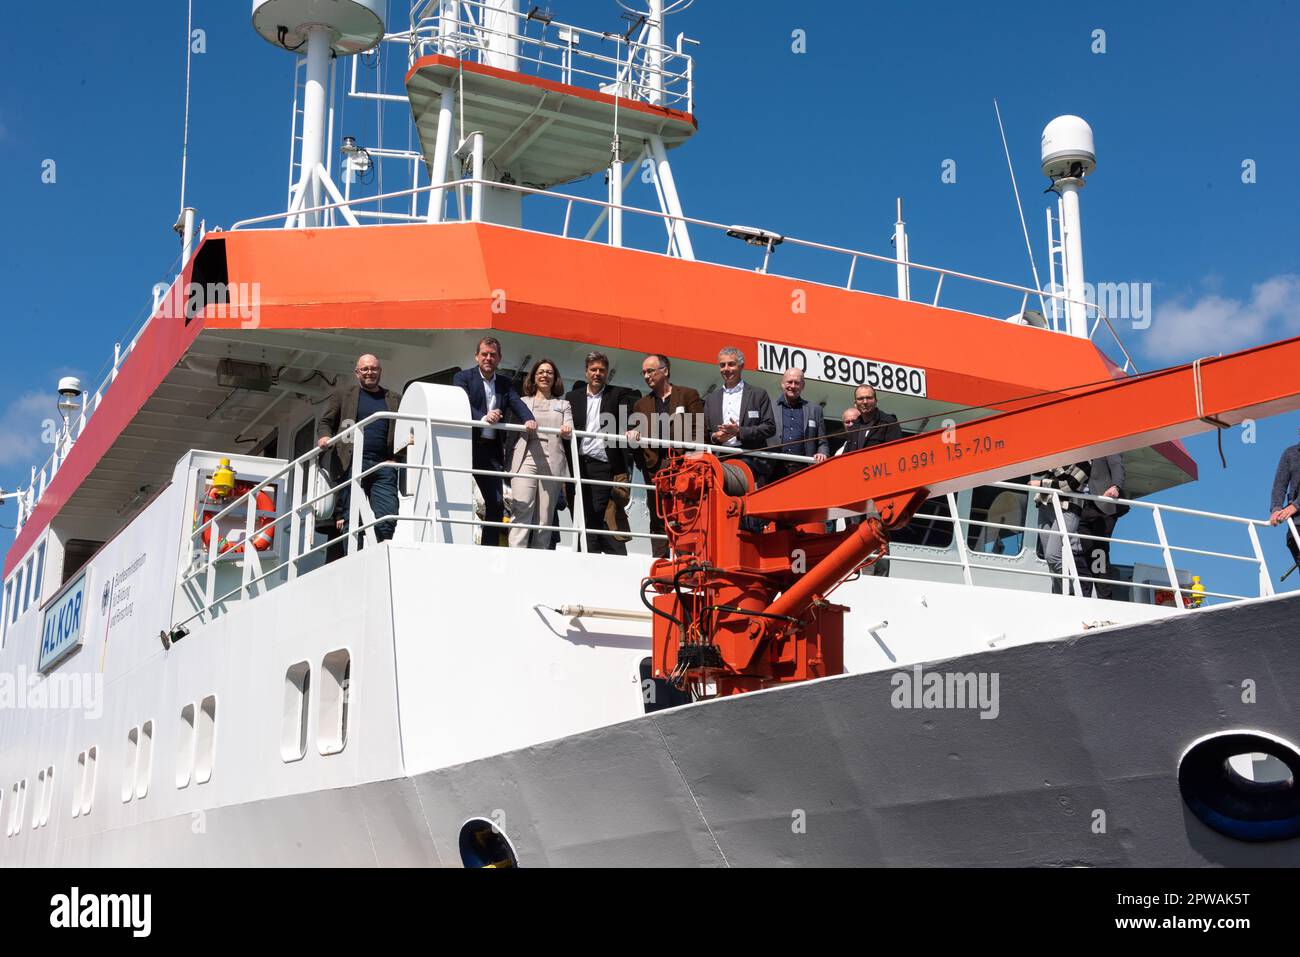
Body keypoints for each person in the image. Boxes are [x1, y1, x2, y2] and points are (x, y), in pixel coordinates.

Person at [317, 354, 407, 560]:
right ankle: (353, 561)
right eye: (365, 369)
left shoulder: (393, 398)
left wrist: (398, 457)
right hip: (350, 464)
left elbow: (405, 429)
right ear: (357, 372)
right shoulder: (343, 394)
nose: (370, 373)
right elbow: (326, 421)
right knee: (351, 519)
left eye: (374, 368)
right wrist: (324, 436)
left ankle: (377, 555)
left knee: (388, 516)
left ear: (380, 371)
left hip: (383, 465)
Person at [452, 337, 536, 546]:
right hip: (464, 447)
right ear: (477, 356)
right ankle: (453, 545)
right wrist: (483, 418)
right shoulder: (462, 378)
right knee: (455, 499)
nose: (488, 358)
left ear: (499, 358)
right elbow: (460, 404)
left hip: (490, 452)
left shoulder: (505, 384)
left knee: (496, 502)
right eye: (484, 354)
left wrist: (529, 419)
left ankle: (488, 548)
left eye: (493, 355)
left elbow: (516, 403)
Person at [625, 354, 704, 558]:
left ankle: (686, 560)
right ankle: (660, 561)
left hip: (682, 466)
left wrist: (691, 458)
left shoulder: (688, 395)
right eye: (643, 372)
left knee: (683, 514)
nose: (646, 376)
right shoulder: (641, 405)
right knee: (658, 516)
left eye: (650, 371)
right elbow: (633, 436)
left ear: (665, 371)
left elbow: (699, 429)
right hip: (656, 470)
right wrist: (634, 442)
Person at [565, 351, 639, 555]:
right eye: (593, 369)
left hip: (605, 464)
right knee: (584, 510)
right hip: (579, 464)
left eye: (601, 370)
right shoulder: (573, 397)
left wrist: (631, 428)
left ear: (607, 373)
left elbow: (627, 415)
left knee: (602, 509)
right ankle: (592, 550)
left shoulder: (617, 394)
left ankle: (596, 551)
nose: (597, 373)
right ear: (586, 372)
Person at [507, 359, 573, 549]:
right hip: (526, 457)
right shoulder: (522, 402)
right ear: (534, 378)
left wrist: (567, 429)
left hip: (553, 459)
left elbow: (569, 430)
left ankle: (539, 557)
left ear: (555, 379)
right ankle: (516, 556)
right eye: (541, 372)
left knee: (545, 516)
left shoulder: (563, 404)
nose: (545, 375)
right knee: (522, 508)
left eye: (549, 372)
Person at [703, 346, 776, 487]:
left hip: (751, 460)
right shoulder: (711, 399)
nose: (726, 369)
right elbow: (705, 433)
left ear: (741, 366)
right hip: (720, 460)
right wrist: (715, 437)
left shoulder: (758, 394)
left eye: (731, 364)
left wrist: (739, 432)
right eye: (722, 365)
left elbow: (770, 427)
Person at [1031, 460, 1091, 595]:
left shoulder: (1085, 464)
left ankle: (1073, 592)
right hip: (1045, 506)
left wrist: (1042, 483)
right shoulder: (1060, 456)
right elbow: (1036, 471)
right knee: (1050, 560)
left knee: (1053, 555)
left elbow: (1068, 485)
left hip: (1067, 509)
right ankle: (1059, 596)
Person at [1077, 454, 1126, 599]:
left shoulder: (1106, 445)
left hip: (1102, 505)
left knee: (1099, 552)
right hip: (1080, 505)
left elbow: (1117, 465)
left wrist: (1115, 486)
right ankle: (1084, 595)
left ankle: (1104, 598)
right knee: (1081, 550)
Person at [769, 367, 829, 479]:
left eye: (797, 383)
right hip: (774, 468)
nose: (792, 386)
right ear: (782, 383)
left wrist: (822, 453)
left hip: (804, 468)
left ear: (803, 386)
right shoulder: (769, 407)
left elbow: (822, 442)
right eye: (789, 382)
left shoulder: (815, 410)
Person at [1268, 428, 1300, 569]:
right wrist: (1276, 508)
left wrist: (1296, 505)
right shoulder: (1290, 454)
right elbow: (1279, 485)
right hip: (1297, 525)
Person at [838, 385, 902, 453]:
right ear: (855, 404)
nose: (865, 402)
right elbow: (846, 457)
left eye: (869, 398)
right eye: (860, 399)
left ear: (876, 401)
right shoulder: (853, 428)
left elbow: (896, 452)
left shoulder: (889, 422)